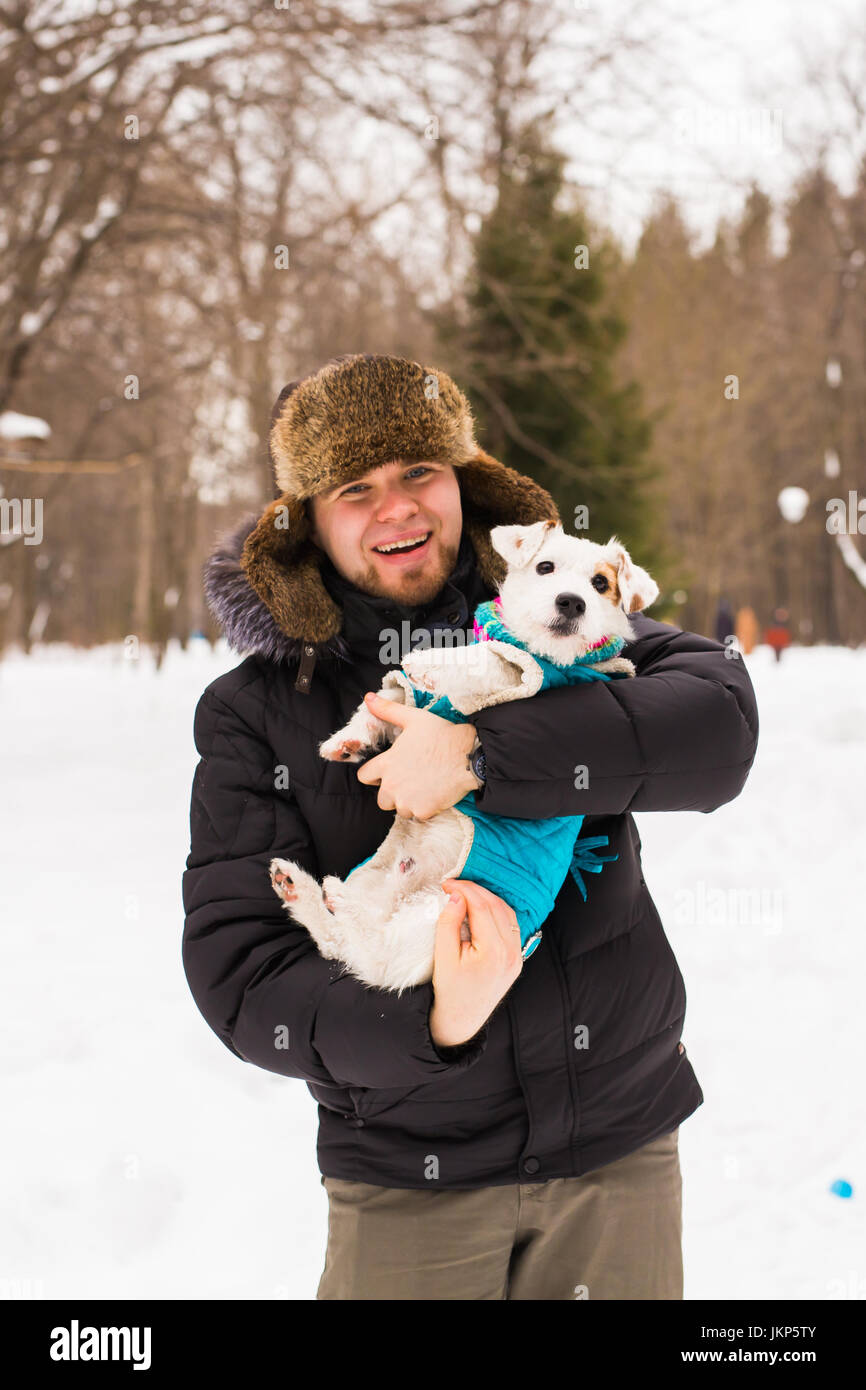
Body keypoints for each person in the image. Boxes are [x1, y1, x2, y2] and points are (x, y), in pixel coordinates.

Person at [181, 353, 759, 1300]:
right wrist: (433, 1022)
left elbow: (719, 728)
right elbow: (240, 980)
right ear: (309, 525)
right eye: (354, 490)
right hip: (412, 1180)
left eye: (419, 473)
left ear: (463, 483)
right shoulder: (255, 712)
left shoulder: (554, 609)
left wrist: (480, 752)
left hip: (618, 1151)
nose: (397, 508)